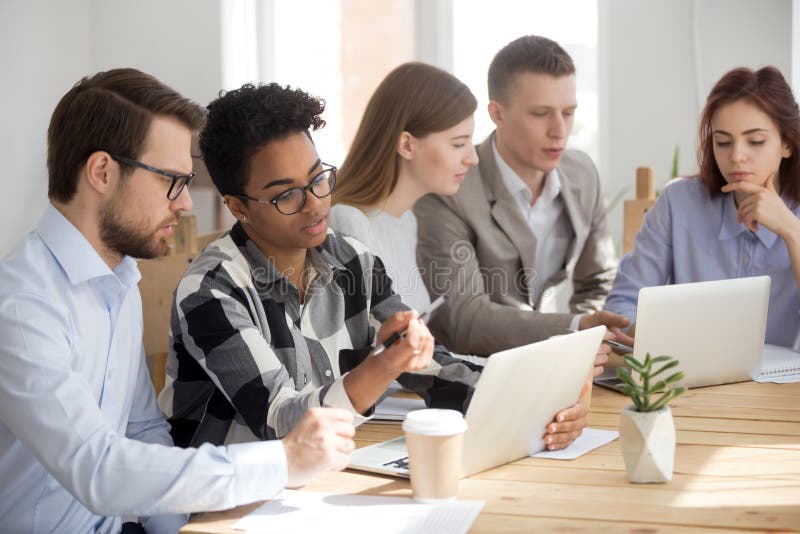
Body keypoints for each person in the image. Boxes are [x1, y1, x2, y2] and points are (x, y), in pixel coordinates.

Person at [0, 68, 355, 534]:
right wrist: (282, 461)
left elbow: (143, 430)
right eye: (172, 180)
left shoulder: (118, 279)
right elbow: (99, 471)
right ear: (102, 172)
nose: (186, 204)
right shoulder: (22, 307)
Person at [158, 82, 589, 453]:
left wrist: (548, 397)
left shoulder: (351, 258)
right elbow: (282, 424)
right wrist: (385, 365)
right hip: (227, 502)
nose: (314, 203)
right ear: (237, 207)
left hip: (327, 478)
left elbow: (432, 367)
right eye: (286, 195)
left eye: (318, 178)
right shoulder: (212, 291)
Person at [414, 35, 631, 357]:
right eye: (541, 113)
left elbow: (597, 280)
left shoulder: (582, 173)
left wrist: (588, 338)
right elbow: (464, 320)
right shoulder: (449, 189)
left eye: (568, 112)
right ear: (497, 114)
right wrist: (573, 329)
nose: (560, 130)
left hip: (557, 364)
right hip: (469, 376)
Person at [604, 66, 800, 351]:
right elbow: (622, 304)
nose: (736, 156)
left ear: (786, 144)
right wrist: (662, 341)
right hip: (690, 383)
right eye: (723, 142)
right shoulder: (678, 203)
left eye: (755, 141)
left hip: (782, 391)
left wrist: (791, 230)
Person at [330, 61, 478, 312]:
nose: (473, 158)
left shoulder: (407, 221)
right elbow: (364, 347)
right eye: (458, 144)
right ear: (407, 145)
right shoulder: (350, 223)